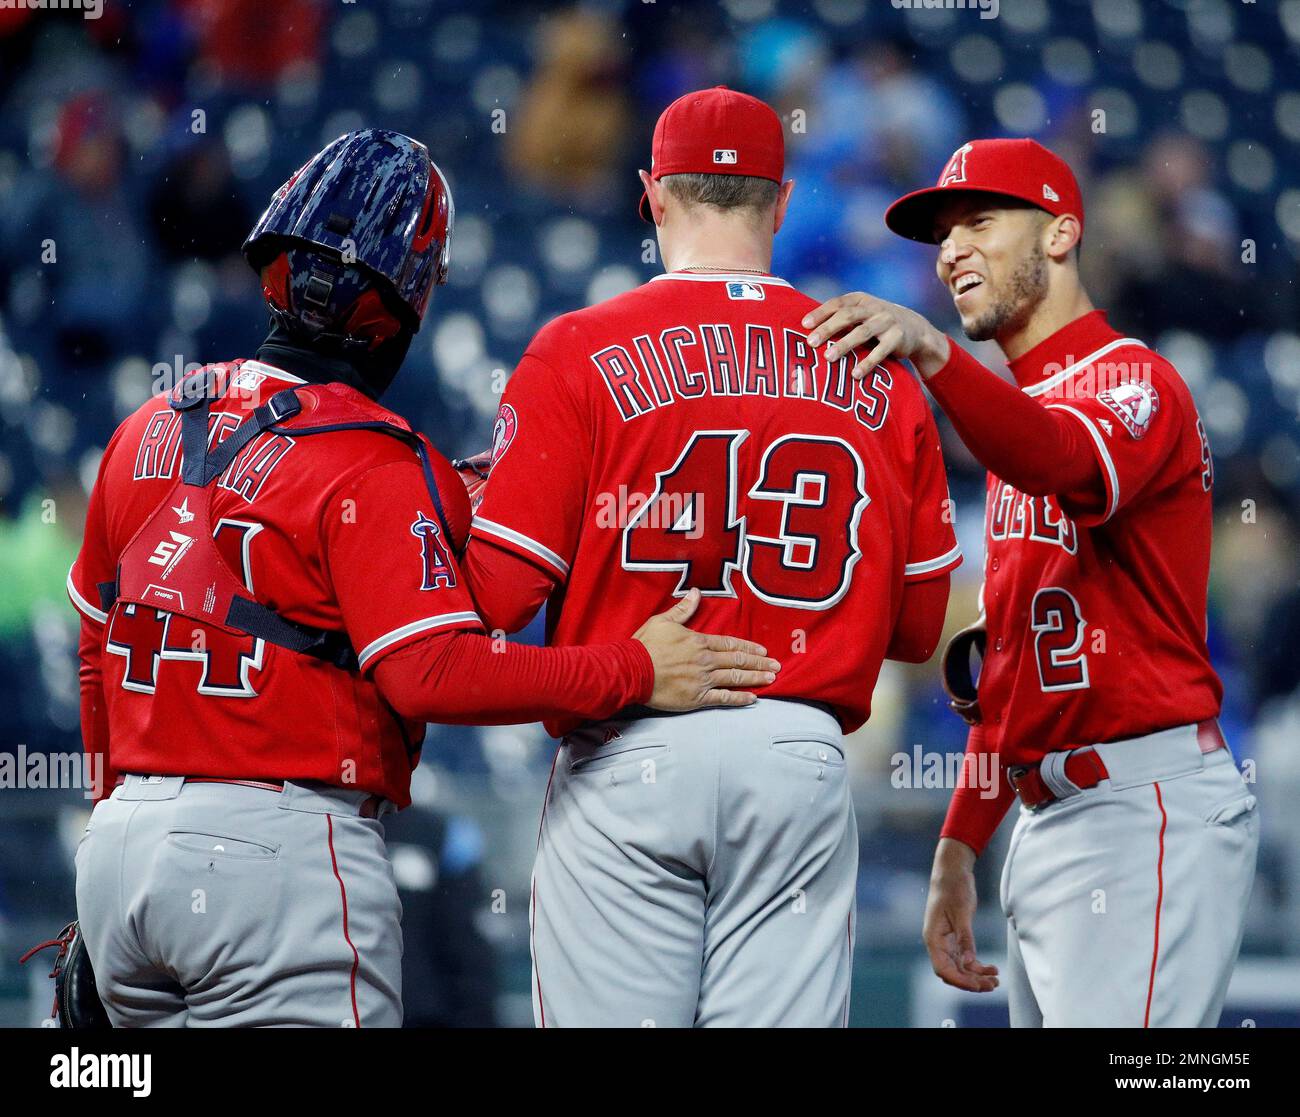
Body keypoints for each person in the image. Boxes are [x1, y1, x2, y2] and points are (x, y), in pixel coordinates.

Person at [67, 129, 777, 1028]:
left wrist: (107, 827)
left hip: (122, 852)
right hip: (275, 855)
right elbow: (431, 672)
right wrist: (632, 669)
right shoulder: (375, 460)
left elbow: (95, 649)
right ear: (408, 300)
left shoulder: (152, 423)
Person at [461, 88, 961, 1027]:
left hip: (629, 742)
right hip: (797, 751)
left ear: (653, 195)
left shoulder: (576, 349)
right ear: (781, 202)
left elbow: (498, 595)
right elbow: (920, 627)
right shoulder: (877, 362)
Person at [803, 138, 1259, 1027]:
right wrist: (960, 846)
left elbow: (1066, 461)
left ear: (1059, 234)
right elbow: (1008, 673)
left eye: (979, 221)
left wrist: (936, 356)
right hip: (1052, 820)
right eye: (941, 234)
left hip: (1142, 809)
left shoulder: (1137, 382)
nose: (951, 250)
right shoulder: (1019, 431)